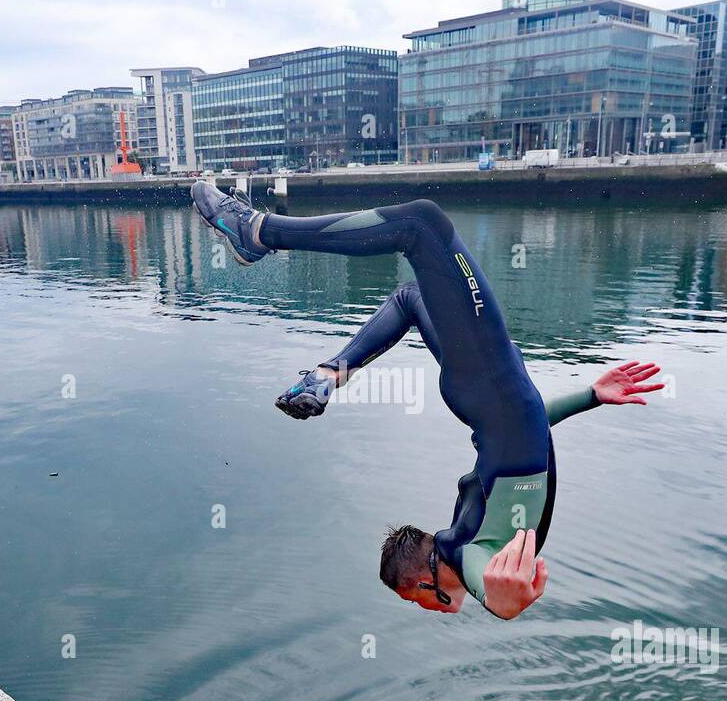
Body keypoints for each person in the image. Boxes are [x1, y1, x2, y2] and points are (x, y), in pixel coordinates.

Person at [191, 182, 662, 619]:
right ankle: (329, 374)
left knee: (422, 226)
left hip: (488, 384)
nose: (423, 607)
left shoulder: (468, 547)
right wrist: (592, 396)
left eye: (412, 600)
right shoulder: (478, 544)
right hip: (488, 392)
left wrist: (501, 601)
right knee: (413, 289)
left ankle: (258, 234)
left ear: (421, 581)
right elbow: (531, 434)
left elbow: (490, 591)